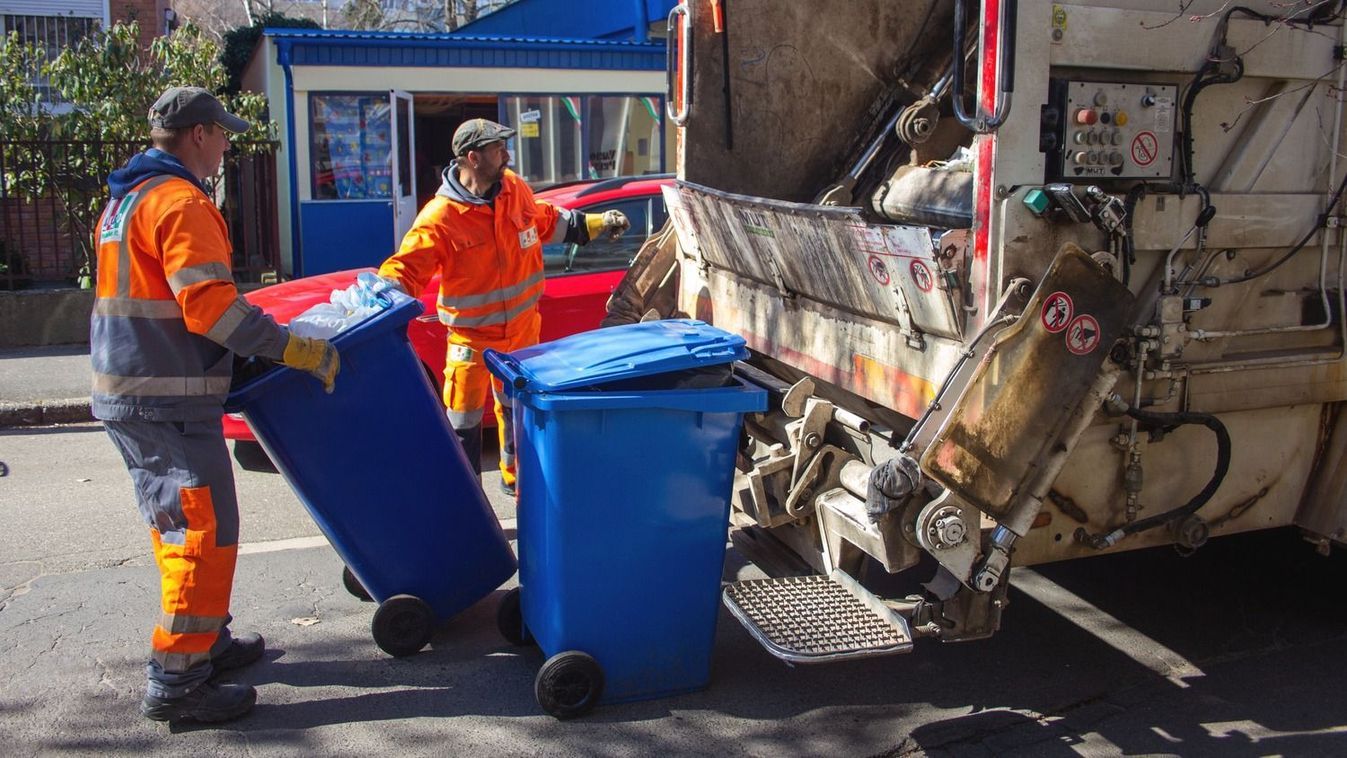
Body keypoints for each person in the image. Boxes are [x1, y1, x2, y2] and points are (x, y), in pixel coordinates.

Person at [92, 86, 340, 724]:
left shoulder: (126, 201)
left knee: (187, 526)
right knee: (199, 535)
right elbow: (210, 310)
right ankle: (178, 679)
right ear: (197, 135)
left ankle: (208, 641)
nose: (227, 143)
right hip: (163, 397)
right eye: (222, 133)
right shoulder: (180, 201)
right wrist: (294, 349)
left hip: (140, 390)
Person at [378, 118, 630, 495]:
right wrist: (380, 295)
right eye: (498, 149)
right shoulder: (441, 218)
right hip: (472, 340)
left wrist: (595, 224)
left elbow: (545, 221)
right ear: (473, 157)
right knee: (463, 422)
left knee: (518, 414)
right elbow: (407, 268)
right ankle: (466, 504)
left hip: (524, 333)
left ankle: (519, 486)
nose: (507, 154)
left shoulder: (512, 189)